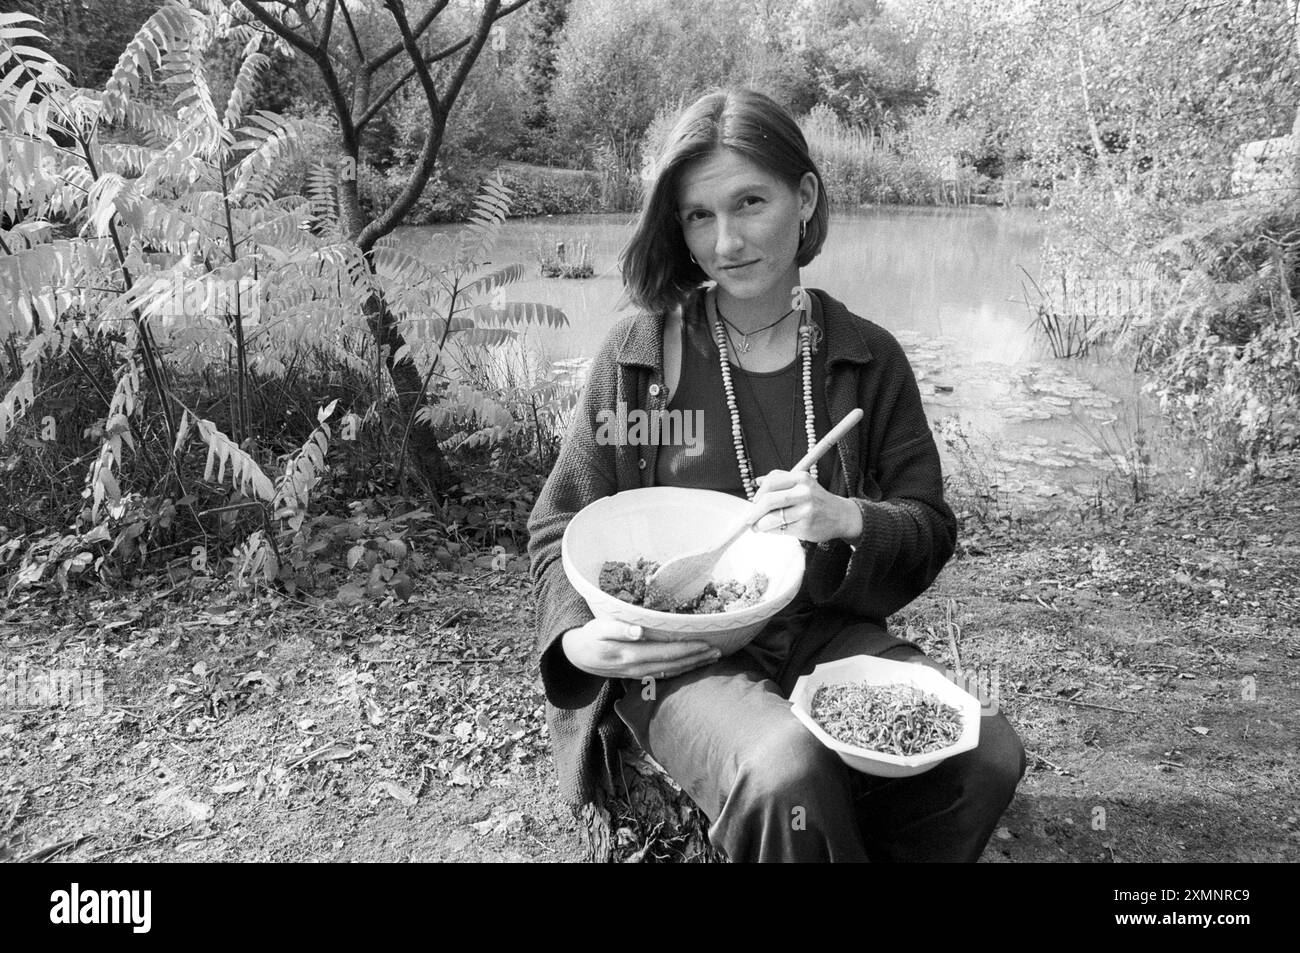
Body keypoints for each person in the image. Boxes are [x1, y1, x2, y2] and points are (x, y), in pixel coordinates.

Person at [526, 87, 1026, 862]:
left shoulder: (866, 357)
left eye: (750, 201)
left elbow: (928, 523)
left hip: (824, 632)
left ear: (805, 197)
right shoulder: (642, 352)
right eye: (698, 214)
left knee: (984, 748)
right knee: (785, 767)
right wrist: (580, 643)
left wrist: (850, 518)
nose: (725, 241)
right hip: (679, 657)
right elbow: (561, 522)